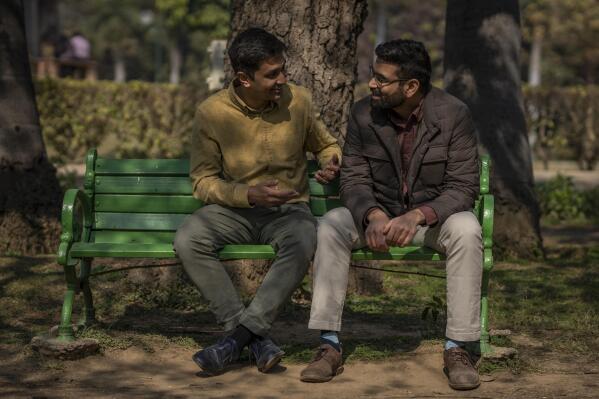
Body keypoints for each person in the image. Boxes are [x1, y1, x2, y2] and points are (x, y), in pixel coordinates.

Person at [300, 39, 482, 391]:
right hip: (379, 220)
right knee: (332, 225)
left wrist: (418, 216)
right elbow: (353, 178)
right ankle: (328, 344)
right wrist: (372, 215)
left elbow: (462, 187)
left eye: (382, 80)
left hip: (432, 222)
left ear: (411, 86)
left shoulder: (453, 114)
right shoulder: (363, 114)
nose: (372, 85)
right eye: (373, 76)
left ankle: (458, 348)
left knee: (467, 228)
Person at [174, 27, 341, 375]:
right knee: (189, 238)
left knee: (304, 237)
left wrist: (331, 162)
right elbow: (202, 180)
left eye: (282, 69)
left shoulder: (299, 101)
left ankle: (235, 340)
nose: (283, 79)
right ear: (243, 78)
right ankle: (250, 336)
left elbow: (326, 145)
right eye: (272, 74)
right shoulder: (212, 112)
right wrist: (246, 194)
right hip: (234, 211)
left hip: (288, 213)